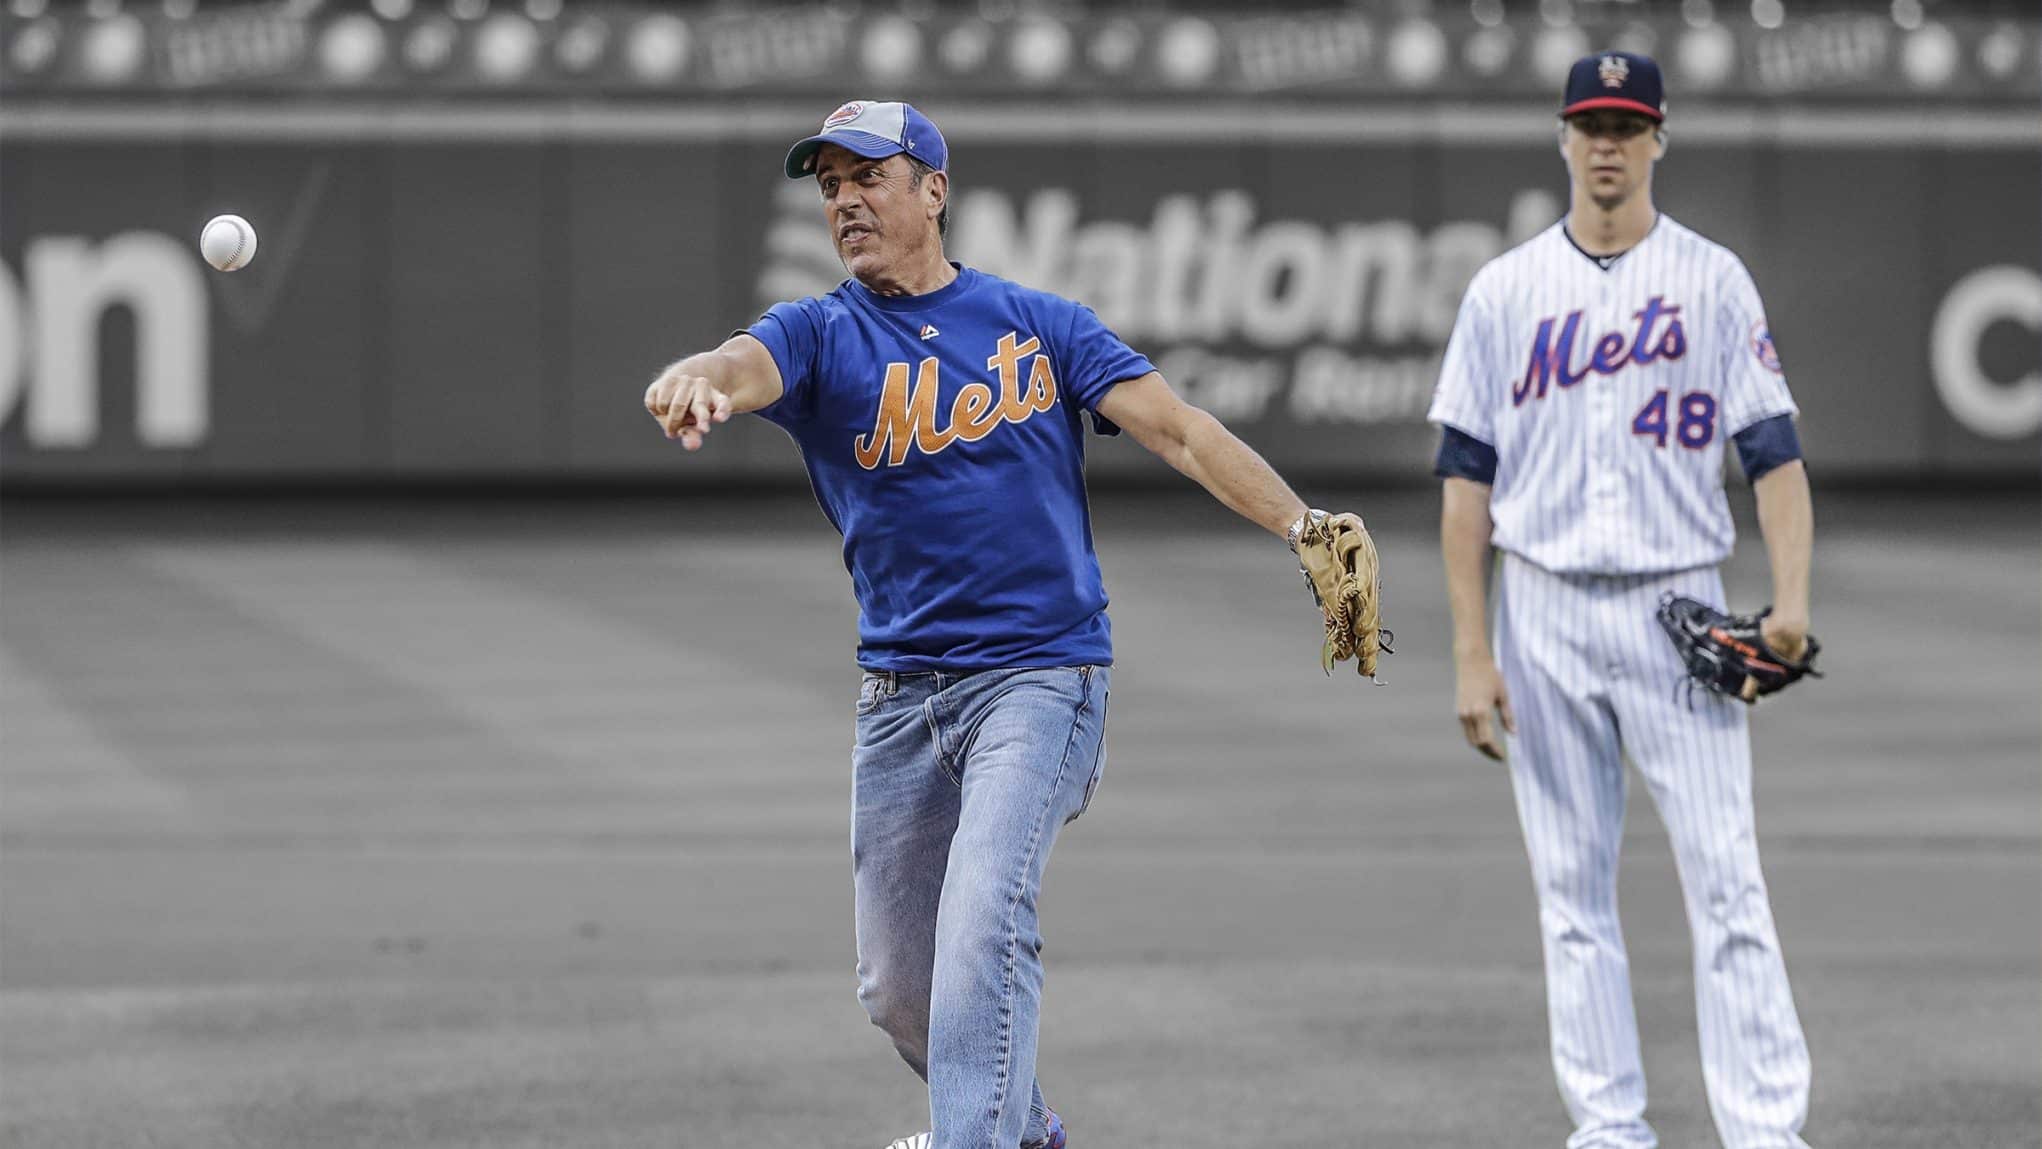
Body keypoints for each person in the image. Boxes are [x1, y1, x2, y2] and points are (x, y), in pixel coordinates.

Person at [643, 99, 1361, 1149]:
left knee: (982, 925)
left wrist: (1303, 527)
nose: (844, 201)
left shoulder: (1041, 325)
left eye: (868, 176)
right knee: (901, 989)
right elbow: (736, 363)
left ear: (932, 189)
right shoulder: (818, 332)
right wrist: (693, 380)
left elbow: (1178, 431)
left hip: (1041, 679)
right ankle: (1028, 1134)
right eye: (830, 185)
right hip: (898, 702)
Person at [1428, 52, 1817, 1149]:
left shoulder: (1712, 279)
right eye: (1591, 123)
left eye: (1627, 124)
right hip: (1541, 609)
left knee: (1727, 880)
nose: (1608, 143)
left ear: (1657, 139)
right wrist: (1470, 649)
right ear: (1563, 137)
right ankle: (1607, 1129)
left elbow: (1774, 454)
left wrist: (1789, 598)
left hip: (1674, 604)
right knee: (1570, 892)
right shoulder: (1504, 290)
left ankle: (1764, 1130)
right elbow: (1464, 483)